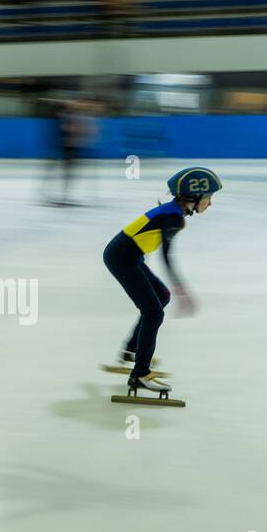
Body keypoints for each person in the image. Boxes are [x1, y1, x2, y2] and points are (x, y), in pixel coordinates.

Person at [103, 166, 221, 394]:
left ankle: (132, 351)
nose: (210, 203)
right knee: (154, 312)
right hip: (122, 258)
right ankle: (140, 374)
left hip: (128, 255)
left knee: (161, 297)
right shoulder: (173, 217)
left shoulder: (173, 212)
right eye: (208, 197)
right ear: (194, 196)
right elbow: (166, 255)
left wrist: (174, 289)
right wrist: (181, 287)